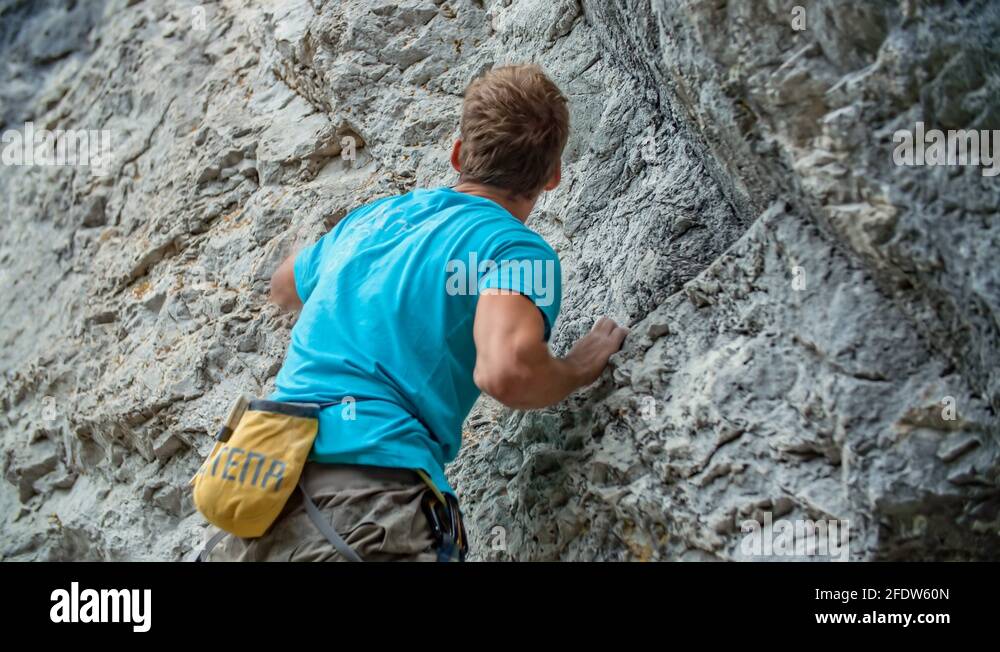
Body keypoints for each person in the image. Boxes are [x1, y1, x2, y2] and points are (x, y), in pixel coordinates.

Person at [205, 63, 628, 562]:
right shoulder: (516, 252)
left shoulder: (373, 218)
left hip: (261, 491)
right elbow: (507, 371)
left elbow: (283, 286)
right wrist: (576, 367)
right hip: (369, 506)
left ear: (456, 154)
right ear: (552, 177)